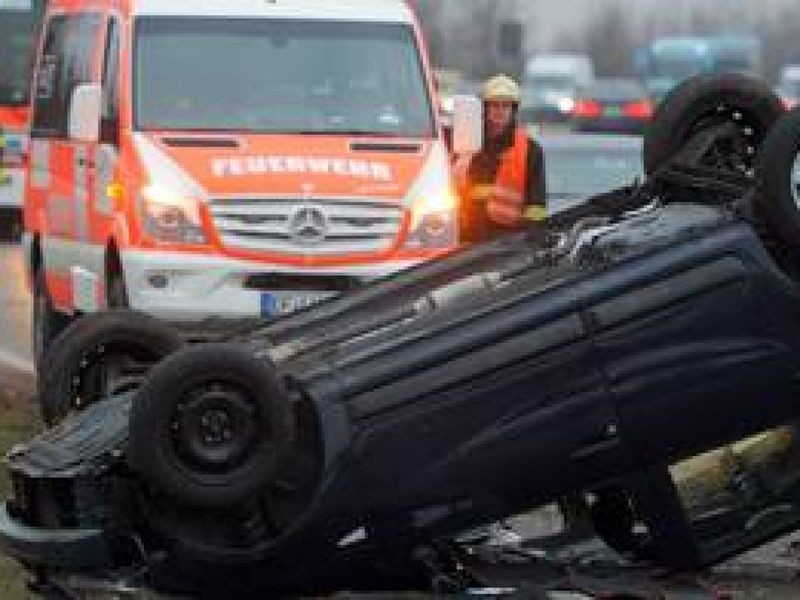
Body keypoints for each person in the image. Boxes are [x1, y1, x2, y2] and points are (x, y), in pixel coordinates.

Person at [454, 74, 547, 243]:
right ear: (484, 108)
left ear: (513, 110)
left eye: (506, 106)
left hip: (508, 241)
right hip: (465, 237)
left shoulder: (531, 150)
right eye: (494, 105)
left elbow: (537, 205)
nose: (500, 111)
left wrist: (529, 236)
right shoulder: (464, 143)